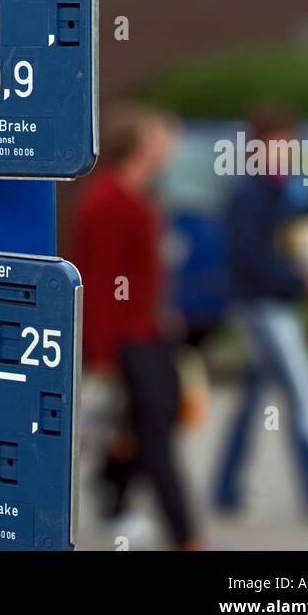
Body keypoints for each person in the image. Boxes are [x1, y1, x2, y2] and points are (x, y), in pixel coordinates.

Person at [212, 105, 308, 522]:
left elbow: (307, 243)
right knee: (302, 394)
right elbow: (250, 258)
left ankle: (225, 490)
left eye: (290, 142)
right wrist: (299, 283)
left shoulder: (292, 191)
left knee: (252, 400)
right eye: (278, 143)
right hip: (262, 311)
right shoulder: (247, 196)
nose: (287, 150)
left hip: (280, 309)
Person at [72, 104, 200, 549]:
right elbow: (103, 282)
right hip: (126, 341)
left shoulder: (141, 194)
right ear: (141, 146)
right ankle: (185, 535)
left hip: (150, 332)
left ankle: (113, 497)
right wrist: (103, 358)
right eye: (162, 138)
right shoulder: (109, 200)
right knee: (154, 435)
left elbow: (141, 272)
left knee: (147, 428)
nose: (170, 147)